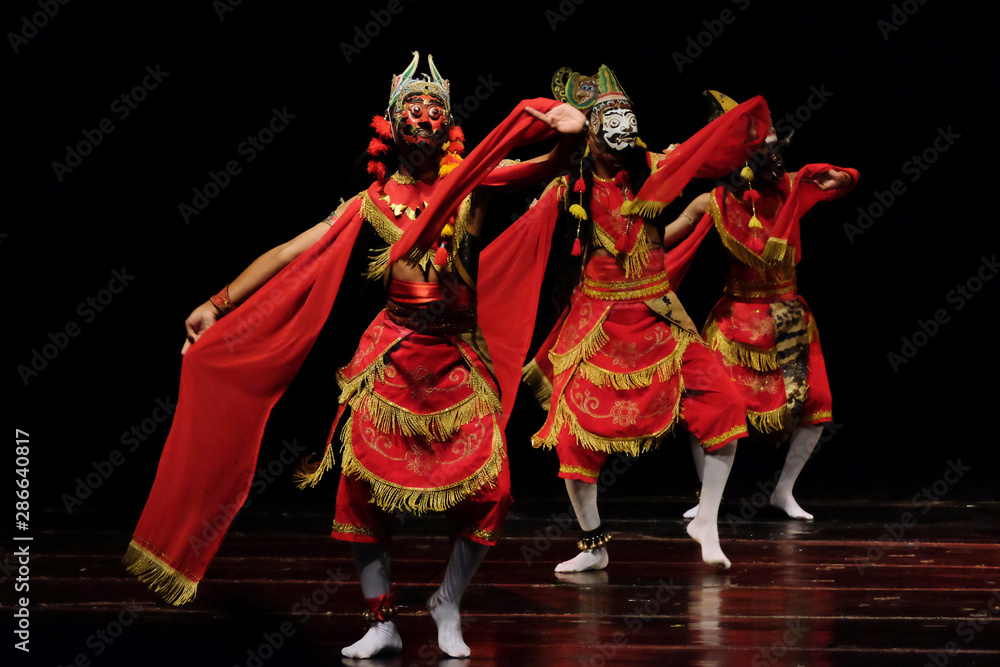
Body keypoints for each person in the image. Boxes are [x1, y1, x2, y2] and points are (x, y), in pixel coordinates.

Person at [124, 52, 586, 659]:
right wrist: (218, 302)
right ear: (390, 127)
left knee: (492, 491)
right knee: (360, 491)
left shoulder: (474, 180)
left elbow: (548, 163)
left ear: (448, 127)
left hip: (457, 356)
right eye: (411, 113)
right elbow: (290, 251)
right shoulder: (368, 204)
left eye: (433, 114)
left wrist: (561, 121)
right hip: (392, 356)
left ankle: (448, 602)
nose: (422, 122)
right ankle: (382, 619)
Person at [514, 66, 772, 573]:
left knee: (723, 406)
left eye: (626, 113)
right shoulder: (569, 185)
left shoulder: (653, 165)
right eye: (608, 115)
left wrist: (739, 135)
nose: (621, 123)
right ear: (589, 127)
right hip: (595, 324)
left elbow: (705, 156)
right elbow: (521, 182)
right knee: (573, 440)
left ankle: (708, 521)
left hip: (658, 314)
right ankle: (594, 545)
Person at [683, 91, 858, 522]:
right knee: (708, 406)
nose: (774, 152)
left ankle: (783, 491)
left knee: (816, 404)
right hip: (733, 322)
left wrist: (838, 177)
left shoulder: (792, 189)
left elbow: (846, 178)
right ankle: (710, 497)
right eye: (764, 145)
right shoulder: (714, 202)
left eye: (777, 141)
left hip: (787, 318)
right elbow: (666, 239)